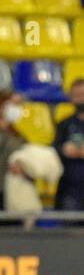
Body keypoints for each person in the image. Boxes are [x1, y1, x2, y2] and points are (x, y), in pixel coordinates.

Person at [53, 79, 84, 212]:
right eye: (76, 96)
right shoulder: (65, 124)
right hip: (71, 189)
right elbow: (54, 149)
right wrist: (64, 150)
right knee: (69, 230)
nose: (80, 100)